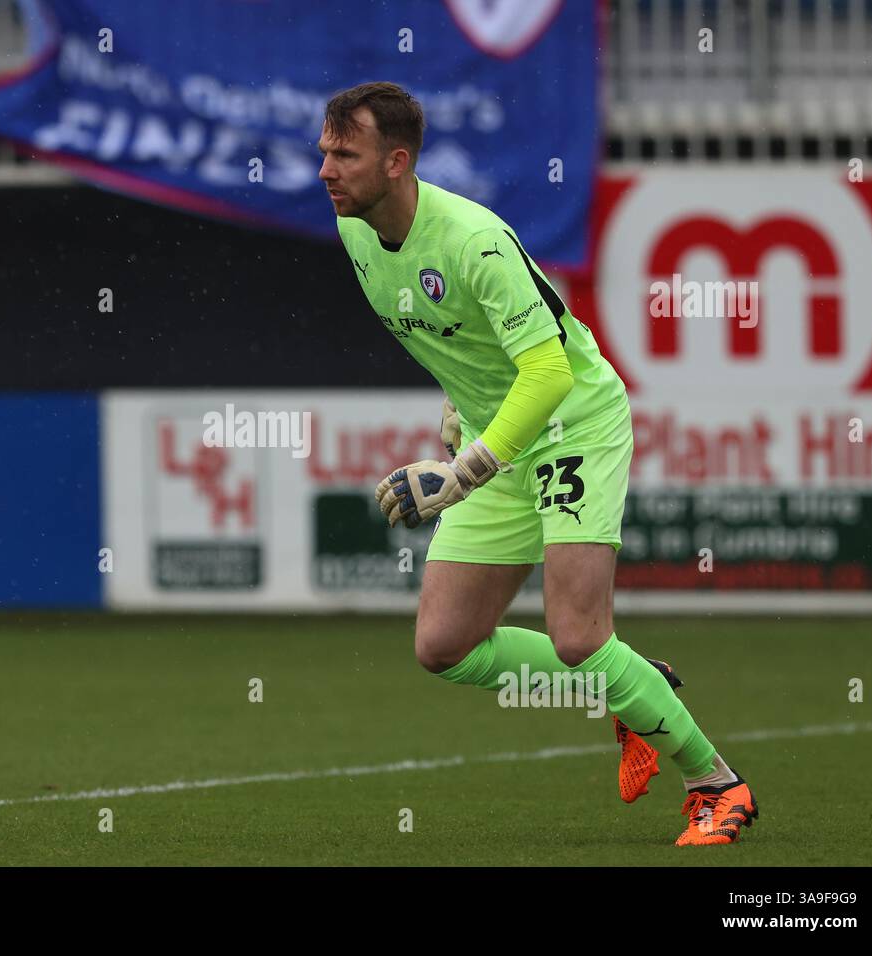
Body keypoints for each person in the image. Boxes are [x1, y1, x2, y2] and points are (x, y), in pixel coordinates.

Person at [320, 81, 759, 845]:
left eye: (344, 154)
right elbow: (447, 334)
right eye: (324, 151)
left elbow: (550, 369)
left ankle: (715, 782)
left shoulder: (472, 240)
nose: (324, 169)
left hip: (571, 425)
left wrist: (463, 472)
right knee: (444, 648)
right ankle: (634, 683)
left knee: (579, 636)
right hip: (497, 438)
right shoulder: (357, 232)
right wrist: (459, 409)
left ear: (396, 162)